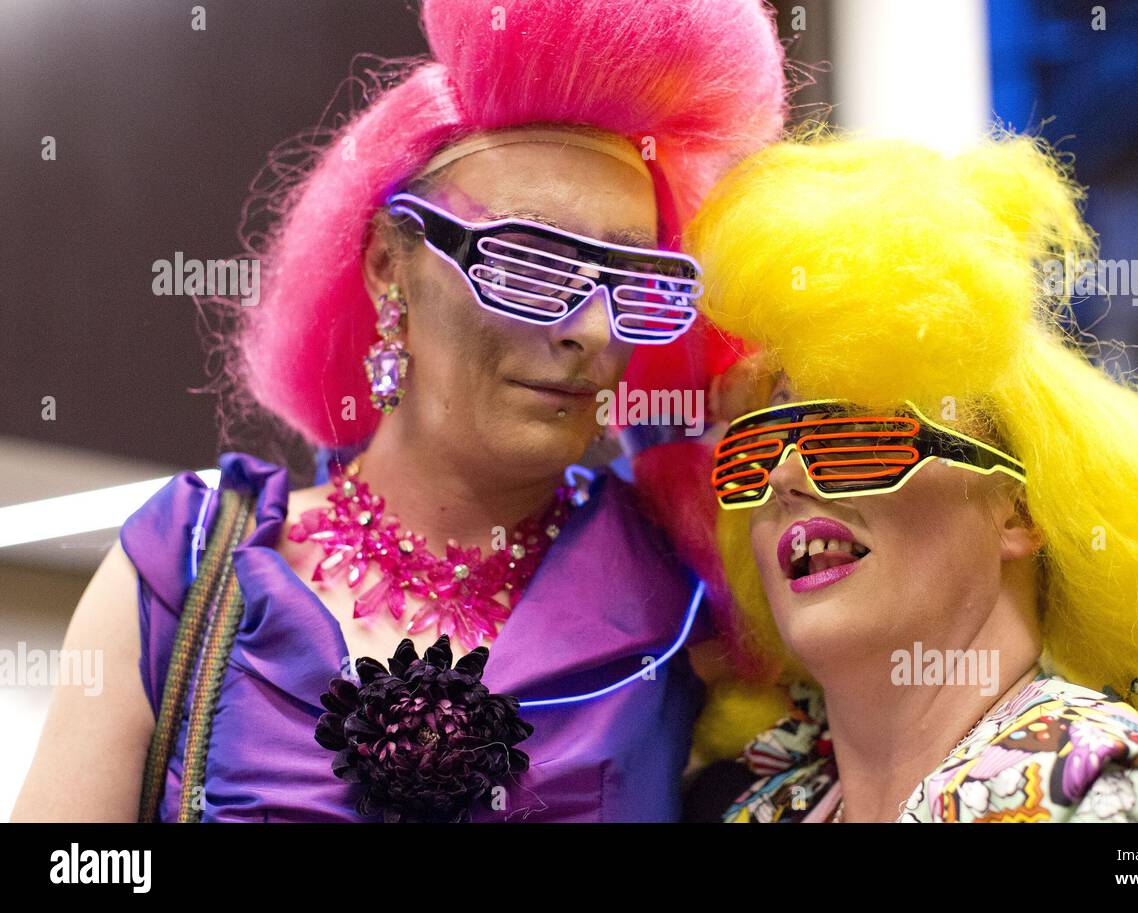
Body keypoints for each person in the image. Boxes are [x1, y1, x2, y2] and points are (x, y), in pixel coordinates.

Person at [13, 0, 786, 823]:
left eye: (632, 284)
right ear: (389, 264)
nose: (591, 330)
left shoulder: (685, 599)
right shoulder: (187, 564)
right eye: (528, 263)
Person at [681, 131, 1138, 823]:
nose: (784, 473)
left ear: (1019, 510)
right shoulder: (754, 806)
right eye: (756, 443)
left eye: (856, 434)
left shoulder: (1113, 801)